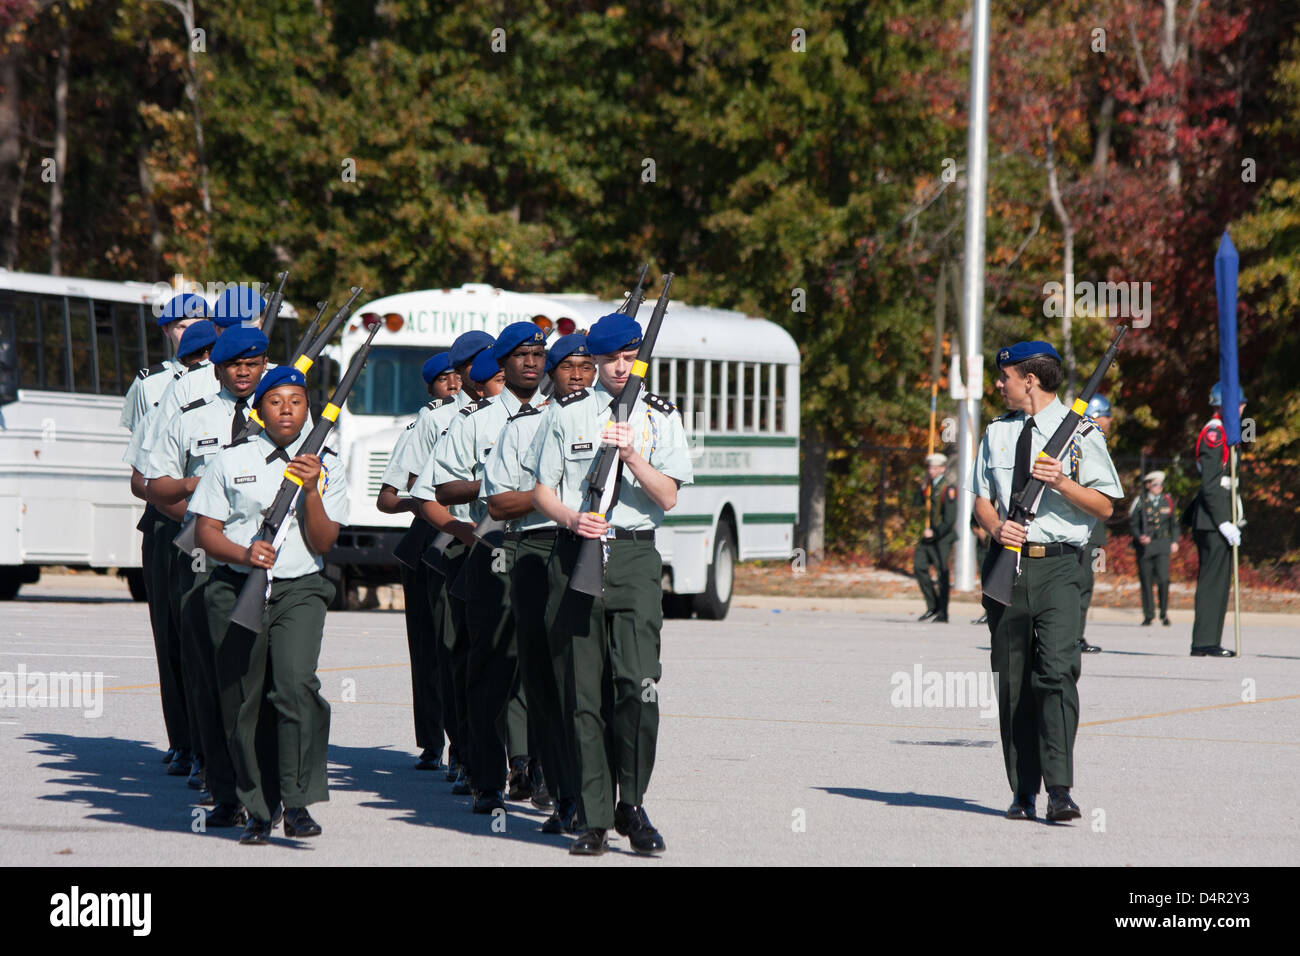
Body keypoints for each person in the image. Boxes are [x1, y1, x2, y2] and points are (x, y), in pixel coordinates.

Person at [530, 312, 694, 856]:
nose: (619, 368)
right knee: (583, 694)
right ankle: (594, 817)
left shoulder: (659, 417)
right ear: (594, 361)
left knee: (638, 686)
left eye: (628, 357)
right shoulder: (566, 414)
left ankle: (633, 803)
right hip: (578, 552)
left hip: (634, 557)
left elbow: (668, 496)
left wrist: (631, 455)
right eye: (608, 359)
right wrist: (571, 519)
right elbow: (541, 492)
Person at [190, 365, 348, 844]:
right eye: (276, 401)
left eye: (296, 401)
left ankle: (297, 803)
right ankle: (257, 806)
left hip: (299, 588)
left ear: (308, 409)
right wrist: (245, 553)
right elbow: (205, 533)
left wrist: (313, 489)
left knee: (296, 687)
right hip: (237, 586)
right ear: (259, 409)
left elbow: (323, 542)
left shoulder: (328, 463)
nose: (287, 409)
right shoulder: (228, 461)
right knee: (243, 699)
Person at [968, 341, 1122, 823]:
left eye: (1005, 376)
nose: (999, 384)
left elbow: (1105, 506)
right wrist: (996, 527)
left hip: (1059, 567)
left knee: (1055, 673)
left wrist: (1061, 483)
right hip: (1007, 564)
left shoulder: (1080, 433)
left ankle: (1060, 790)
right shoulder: (995, 433)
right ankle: (1022, 791)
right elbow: (981, 498)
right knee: (1013, 682)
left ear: (1030, 379)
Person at [142, 326, 268, 826]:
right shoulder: (190, 416)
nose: (245, 372)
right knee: (206, 674)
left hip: (268, 560)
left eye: (254, 363)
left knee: (265, 678)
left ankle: (264, 781)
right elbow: (156, 485)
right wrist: (204, 497)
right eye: (236, 364)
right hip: (204, 557)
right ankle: (218, 779)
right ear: (217, 367)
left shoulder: (281, 415)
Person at [430, 325, 545, 815]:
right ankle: (486, 778)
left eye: (539, 355)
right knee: (489, 668)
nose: (532, 363)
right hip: (492, 545)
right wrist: (492, 488)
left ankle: (538, 772)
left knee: (543, 668)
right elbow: (443, 488)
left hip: (544, 548)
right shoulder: (476, 421)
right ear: (502, 362)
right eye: (521, 356)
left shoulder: (557, 414)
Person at [487, 333, 595, 834]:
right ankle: (561, 787)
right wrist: (549, 496)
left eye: (586, 366)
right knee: (543, 678)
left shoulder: (606, 423)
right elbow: (498, 503)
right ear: (552, 371)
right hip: (534, 548)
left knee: (584, 678)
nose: (578, 375)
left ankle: (593, 790)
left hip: (589, 550)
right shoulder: (524, 427)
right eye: (568, 367)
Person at [409, 331, 499, 796]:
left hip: (512, 543)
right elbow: (416, 493)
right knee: (456, 653)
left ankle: (521, 760)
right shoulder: (444, 422)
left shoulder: (537, 412)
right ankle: (462, 750)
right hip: (459, 543)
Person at [122, 294, 209, 772]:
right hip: (167, 521)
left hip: (228, 529)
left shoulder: (243, 389)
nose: (187, 333)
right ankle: (183, 738)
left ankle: (214, 743)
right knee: (172, 636)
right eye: (178, 326)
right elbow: (145, 465)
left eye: (196, 324)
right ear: (165, 332)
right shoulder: (152, 387)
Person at [375, 351, 460, 772]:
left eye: (458, 376)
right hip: (431, 542)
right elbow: (387, 498)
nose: (455, 384)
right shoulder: (425, 423)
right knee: (430, 648)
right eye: (445, 380)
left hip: (477, 537)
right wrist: (426, 501)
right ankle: (432, 740)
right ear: (430, 388)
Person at [1189, 382, 1245, 658]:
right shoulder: (1214, 433)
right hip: (1213, 519)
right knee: (1212, 580)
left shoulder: (1227, 433)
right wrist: (1223, 521)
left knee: (1220, 580)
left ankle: (1210, 639)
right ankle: (1204, 641)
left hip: (1220, 515)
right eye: (1240, 404)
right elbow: (1211, 484)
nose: (1244, 408)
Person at [1076, 395, 1114, 654]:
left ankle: (1074, 635)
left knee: (1083, 583)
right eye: (1107, 416)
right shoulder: (1088, 442)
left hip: (1090, 526)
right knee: (1080, 583)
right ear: (1096, 416)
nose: (1110, 421)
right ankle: (1073, 637)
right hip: (1084, 526)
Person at [1129, 471, 1177, 626]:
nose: (1159, 487)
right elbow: (1133, 524)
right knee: (1146, 580)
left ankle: (1163, 613)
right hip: (1146, 547)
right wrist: (1139, 536)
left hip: (1162, 544)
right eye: (1156, 484)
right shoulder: (1141, 501)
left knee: (1164, 579)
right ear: (1148, 485)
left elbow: (1174, 524)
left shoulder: (1167, 501)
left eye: (1161, 484)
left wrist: (1174, 541)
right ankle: (1148, 614)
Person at [913, 453, 957, 623]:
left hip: (942, 538)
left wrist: (935, 532)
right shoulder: (929, 487)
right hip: (928, 537)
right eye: (929, 468)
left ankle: (943, 612)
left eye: (934, 468)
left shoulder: (948, 488)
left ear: (942, 469)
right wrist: (922, 487)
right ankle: (933, 605)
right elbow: (916, 504)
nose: (931, 471)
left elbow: (950, 519)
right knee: (919, 566)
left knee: (942, 574)